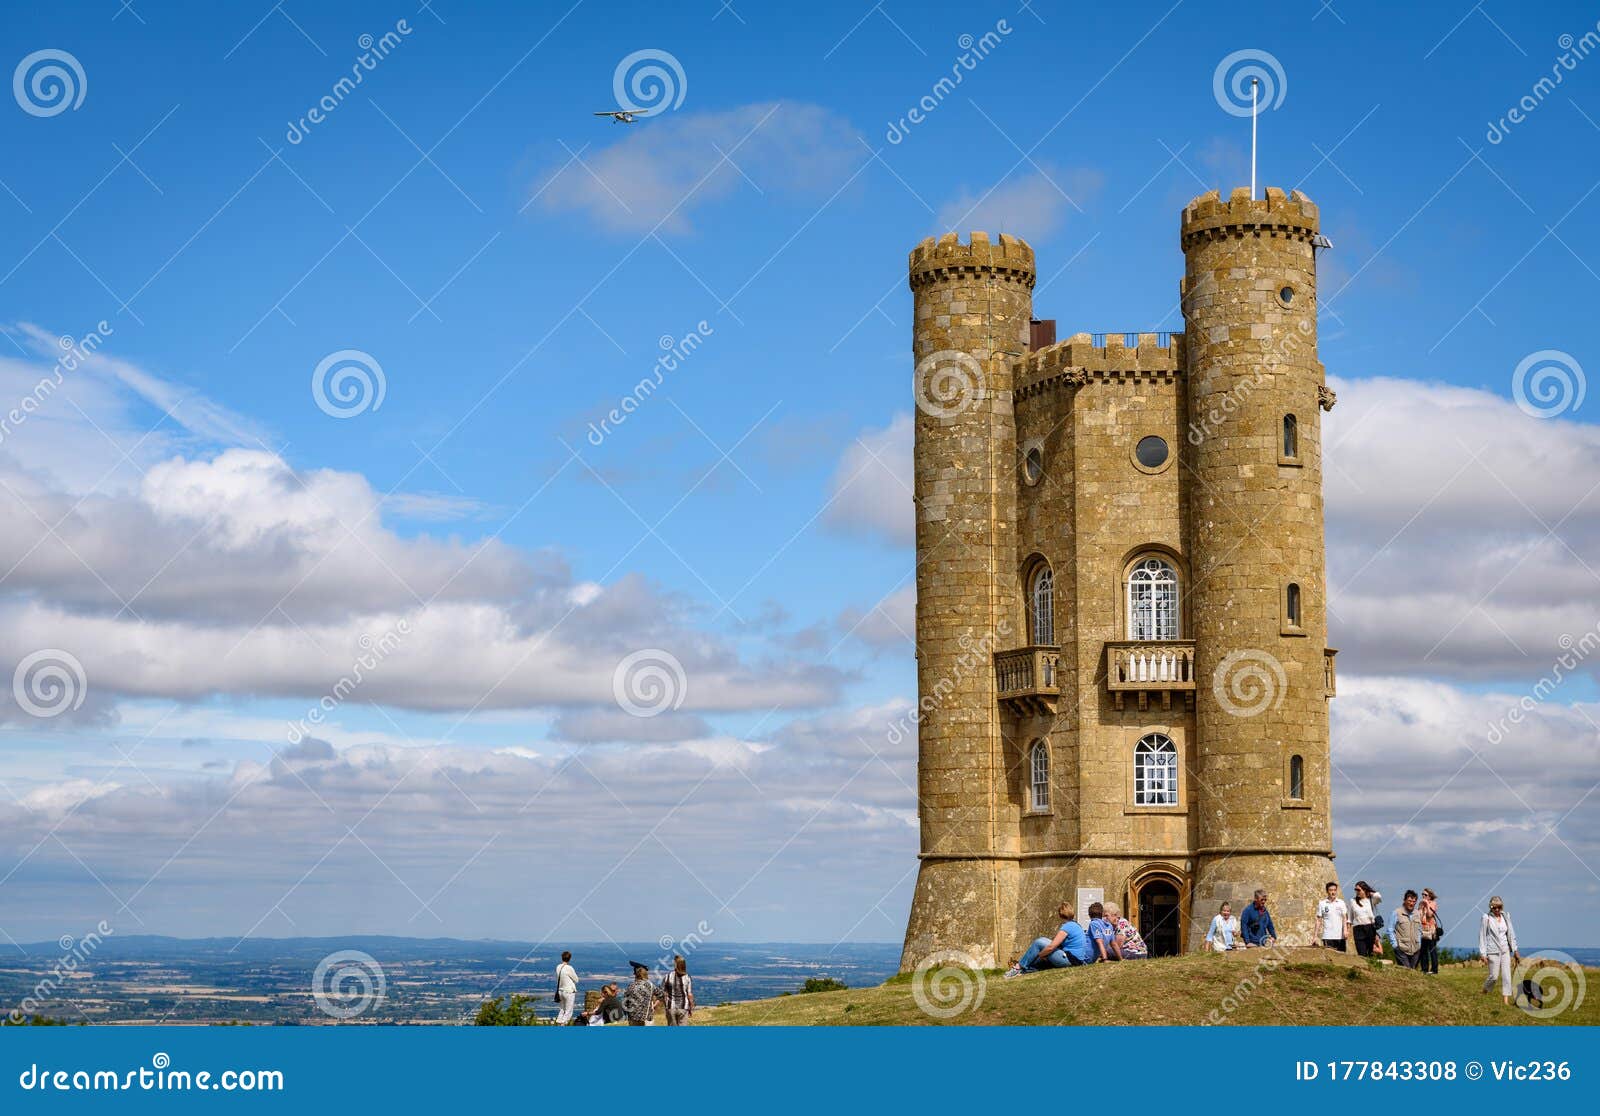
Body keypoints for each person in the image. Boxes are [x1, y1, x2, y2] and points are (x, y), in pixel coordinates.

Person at [1005, 903, 1095, 976]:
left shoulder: (1067, 927)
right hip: (1076, 960)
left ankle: (1018, 967)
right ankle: (1025, 969)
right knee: (1043, 943)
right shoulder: (1076, 925)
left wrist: (1041, 954)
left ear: (1060, 914)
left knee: (1039, 942)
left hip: (1070, 960)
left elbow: (1051, 947)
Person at [1479, 896, 1520, 1005]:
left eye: (1499, 907)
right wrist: (1483, 954)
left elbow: (1511, 934)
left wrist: (1515, 950)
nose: (1497, 909)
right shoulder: (1486, 918)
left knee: (1507, 976)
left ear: (1502, 907)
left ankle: (1506, 1001)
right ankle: (1484, 991)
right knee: (1494, 976)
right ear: (1491, 907)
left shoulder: (1506, 916)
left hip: (1505, 950)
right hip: (1492, 951)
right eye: (1494, 907)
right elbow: (1482, 936)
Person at [1386, 889, 1426, 969]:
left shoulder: (1417, 913)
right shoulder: (1396, 913)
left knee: (1413, 972)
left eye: (1414, 901)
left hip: (1416, 949)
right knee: (1407, 971)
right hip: (1401, 949)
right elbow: (1390, 930)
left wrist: (1419, 944)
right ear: (1404, 900)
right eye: (1410, 901)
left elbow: (1419, 930)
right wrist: (1395, 945)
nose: (1412, 903)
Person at [1350, 881, 1383, 957]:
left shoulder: (1371, 900)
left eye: (1358, 890)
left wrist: (1370, 892)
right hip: (1358, 929)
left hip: (1370, 928)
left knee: (1369, 952)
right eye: (1355, 890)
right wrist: (1348, 928)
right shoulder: (1353, 901)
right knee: (1361, 953)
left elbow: (1378, 896)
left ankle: (1370, 964)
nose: (1356, 892)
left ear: (1364, 890)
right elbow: (1350, 917)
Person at [1315, 881, 1350, 951]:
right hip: (1327, 936)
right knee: (1329, 957)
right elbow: (1318, 921)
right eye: (1331, 890)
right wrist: (1315, 936)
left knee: (1341, 956)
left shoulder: (1341, 903)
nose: (1333, 892)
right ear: (1327, 891)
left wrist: (1345, 930)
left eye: (1334, 890)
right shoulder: (1322, 903)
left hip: (1340, 937)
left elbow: (1344, 918)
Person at [661, 955, 695, 1025]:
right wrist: (691, 1007)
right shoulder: (687, 977)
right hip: (683, 1007)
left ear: (675, 965)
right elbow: (689, 994)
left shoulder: (667, 976)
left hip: (670, 1007)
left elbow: (663, 993)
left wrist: (666, 1006)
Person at [1418, 888, 1441, 975]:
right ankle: (1424, 969)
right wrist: (1421, 906)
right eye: (1422, 894)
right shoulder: (1421, 904)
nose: (1423, 896)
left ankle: (1434, 969)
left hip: (1431, 930)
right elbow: (1418, 915)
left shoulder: (1433, 903)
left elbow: (1429, 915)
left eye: (1425, 894)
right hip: (1423, 929)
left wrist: (1427, 904)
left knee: (1432, 949)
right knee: (1423, 950)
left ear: (1430, 896)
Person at [554, 950, 578, 1025]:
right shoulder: (569, 968)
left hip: (560, 991)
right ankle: (563, 1024)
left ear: (562, 958)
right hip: (569, 991)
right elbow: (576, 979)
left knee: (562, 1009)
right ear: (569, 958)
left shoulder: (558, 967)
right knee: (569, 1010)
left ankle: (559, 1022)